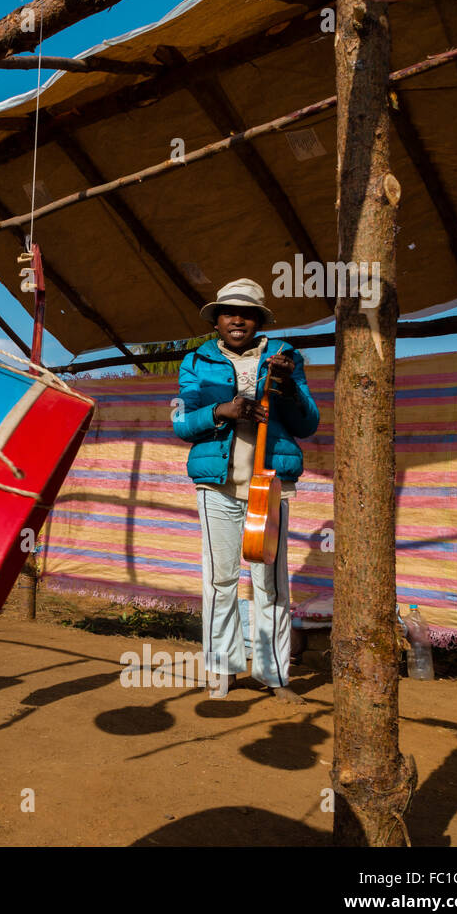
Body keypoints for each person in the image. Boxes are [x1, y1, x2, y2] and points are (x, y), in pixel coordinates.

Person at [171, 278, 319, 703]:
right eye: (229, 311)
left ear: (259, 320)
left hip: (268, 484)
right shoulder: (196, 361)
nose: (238, 318)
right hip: (216, 486)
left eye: (247, 312)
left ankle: (274, 677)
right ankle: (222, 670)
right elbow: (180, 422)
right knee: (220, 580)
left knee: (270, 581)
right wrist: (221, 410)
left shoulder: (285, 357)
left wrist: (287, 388)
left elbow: (308, 424)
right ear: (217, 319)